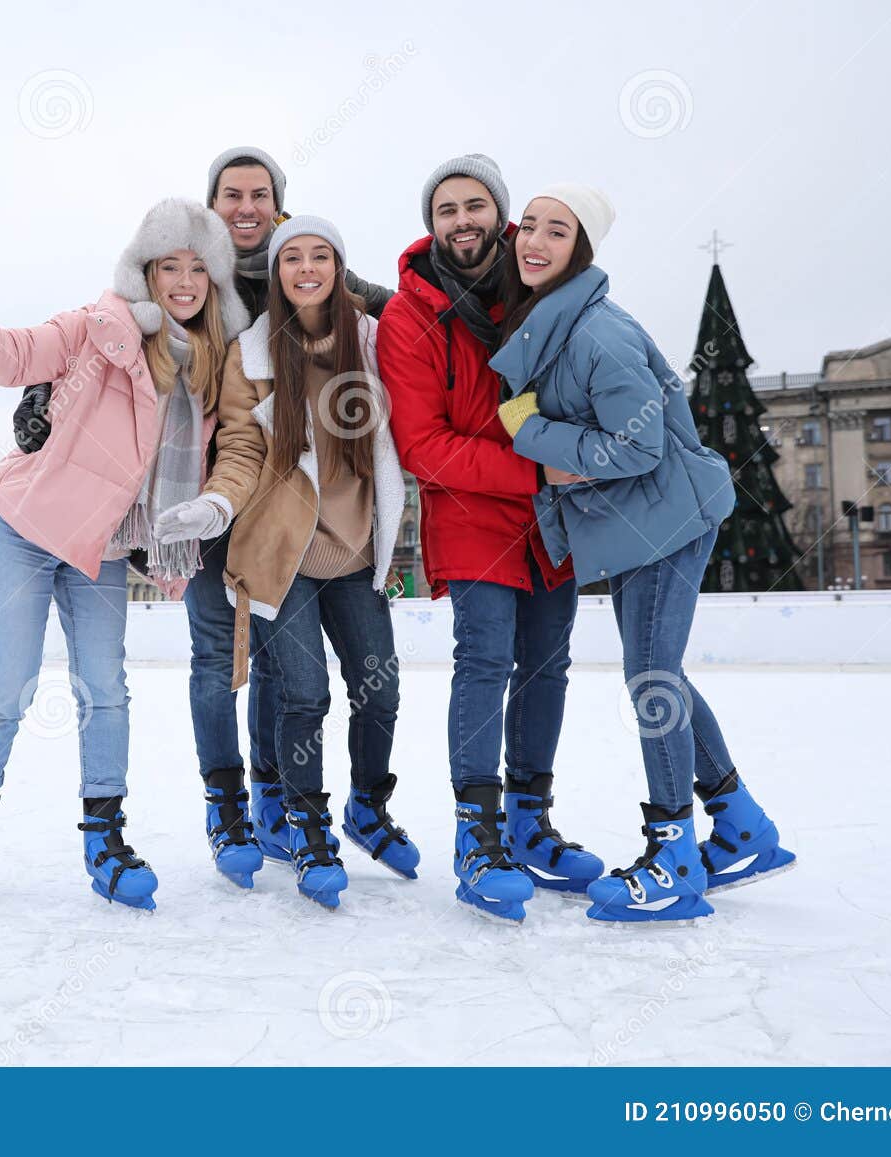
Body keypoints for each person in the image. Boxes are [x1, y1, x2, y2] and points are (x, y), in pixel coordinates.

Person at [11, 150, 399, 881]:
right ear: (212, 205)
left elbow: (400, 302)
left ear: (279, 207)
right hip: (196, 494)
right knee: (220, 658)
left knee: (287, 671)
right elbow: (95, 334)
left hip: (280, 508)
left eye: (260, 194)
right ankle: (227, 808)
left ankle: (274, 800)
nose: (245, 206)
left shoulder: (303, 266)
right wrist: (39, 395)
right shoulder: (187, 275)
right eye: (232, 194)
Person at [0, 198, 249, 910]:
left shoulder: (210, 371)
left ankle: (106, 837)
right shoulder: (96, 328)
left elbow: (223, 456)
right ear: (146, 271)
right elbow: (6, 354)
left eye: (199, 267)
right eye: (171, 266)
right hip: (26, 526)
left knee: (106, 687)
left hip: (100, 547)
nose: (185, 281)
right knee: (12, 679)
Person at [491, 183, 796, 924]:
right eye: (528, 226)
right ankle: (741, 823)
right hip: (639, 529)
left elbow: (637, 443)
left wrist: (530, 433)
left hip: (667, 523)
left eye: (556, 231)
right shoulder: (552, 326)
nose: (535, 240)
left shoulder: (598, 333)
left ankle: (673, 857)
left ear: (581, 250)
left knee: (652, 676)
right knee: (664, 674)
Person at [156, 216, 418, 910]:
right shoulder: (254, 352)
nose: (306, 267)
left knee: (380, 691)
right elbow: (241, 446)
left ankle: (367, 804)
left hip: (357, 550)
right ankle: (308, 827)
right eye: (292, 257)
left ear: (338, 265)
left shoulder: (371, 336)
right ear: (274, 272)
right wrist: (215, 503)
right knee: (303, 694)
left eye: (320, 255)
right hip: (285, 552)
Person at [377, 155, 599, 924]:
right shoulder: (410, 318)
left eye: (475, 206)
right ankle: (477, 834)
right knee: (486, 659)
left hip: (553, 520)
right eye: (446, 209)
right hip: (473, 513)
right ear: (431, 223)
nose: (461, 220)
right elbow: (423, 446)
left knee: (548, 665)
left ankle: (529, 822)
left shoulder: (537, 283)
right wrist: (538, 473)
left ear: (497, 214)